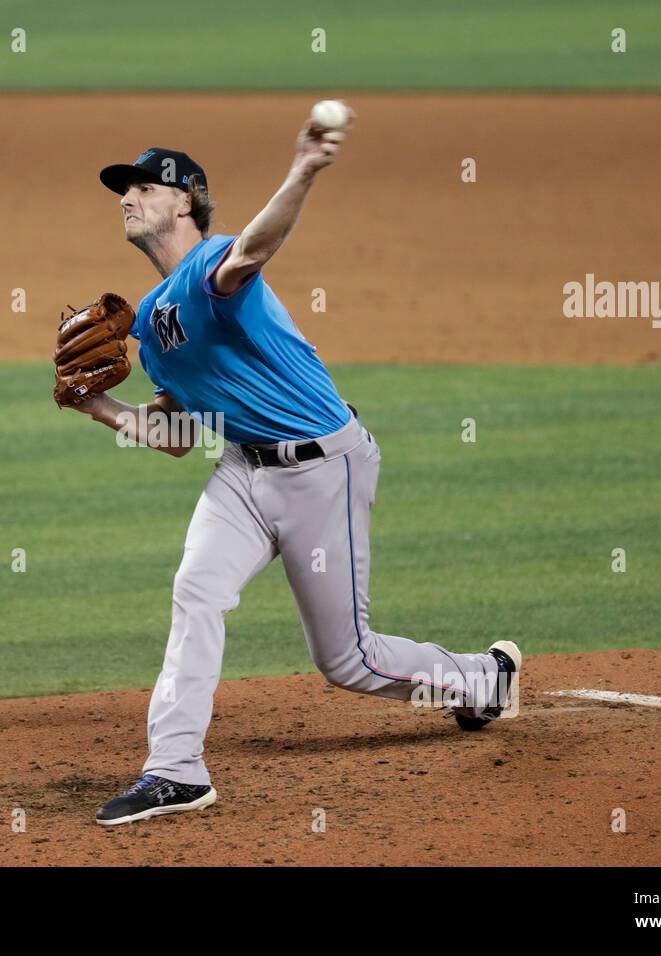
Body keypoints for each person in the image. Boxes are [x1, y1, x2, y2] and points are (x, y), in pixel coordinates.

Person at [70, 116, 520, 826]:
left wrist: (305, 169)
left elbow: (255, 248)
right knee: (196, 589)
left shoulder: (214, 265)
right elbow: (180, 436)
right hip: (244, 471)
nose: (127, 196)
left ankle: (482, 680)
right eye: (122, 188)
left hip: (324, 469)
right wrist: (99, 405)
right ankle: (175, 771)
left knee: (349, 663)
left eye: (144, 185)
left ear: (184, 200)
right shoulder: (152, 319)